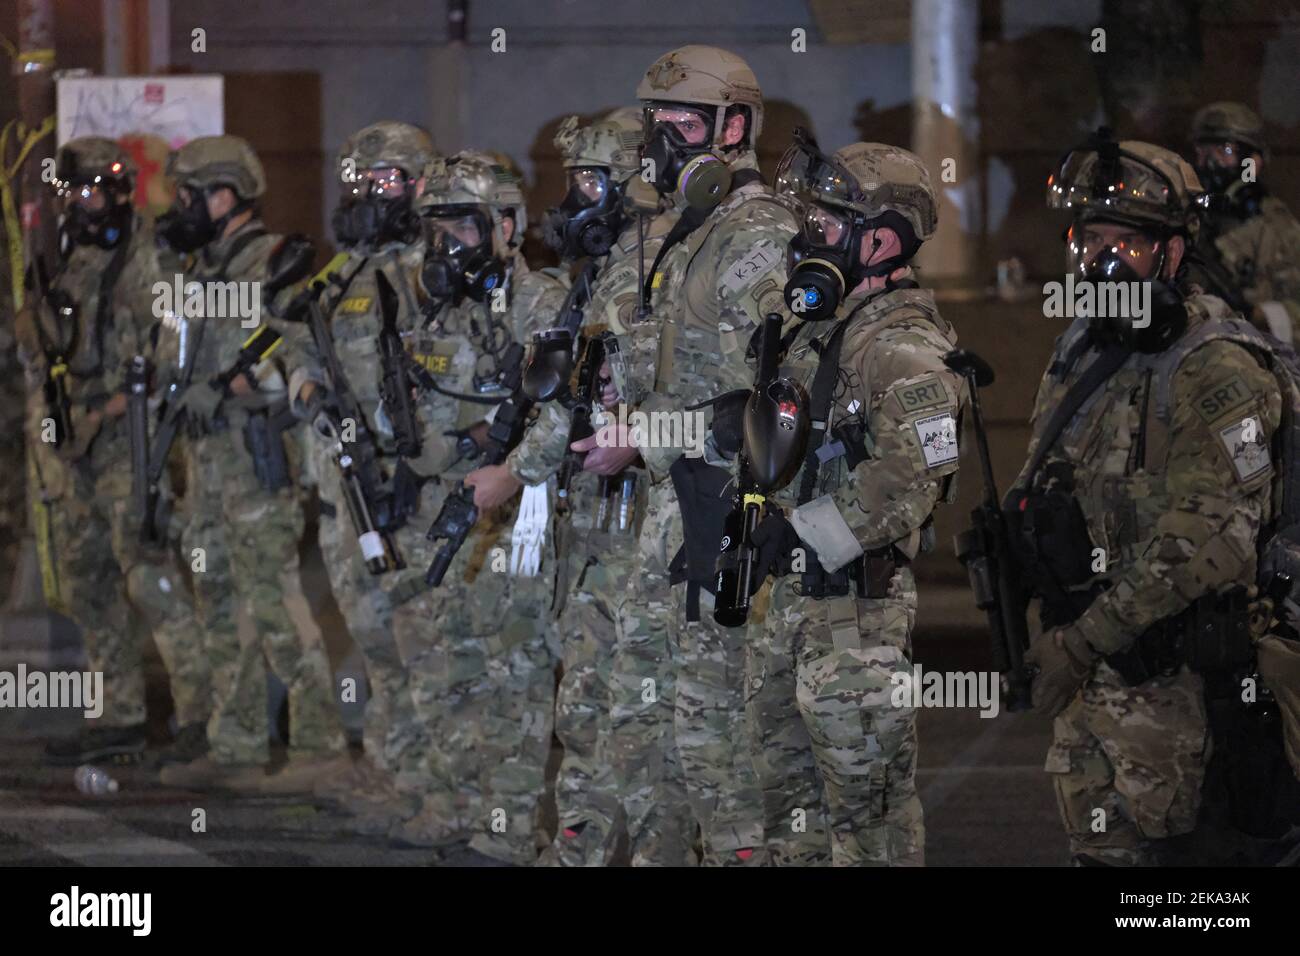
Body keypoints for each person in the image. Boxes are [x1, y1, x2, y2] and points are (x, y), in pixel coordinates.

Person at [1020, 131, 1299, 864]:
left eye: (1129, 244)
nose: (1104, 261)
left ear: (1173, 254)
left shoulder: (1216, 365)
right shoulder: (1083, 347)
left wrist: (1080, 643)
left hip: (1182, 691)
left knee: (1184, 884)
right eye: (1091, 241)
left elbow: (1210, 540)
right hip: (1095, 687)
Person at [581, 45, 799, 865]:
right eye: (656, 123)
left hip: (727, 522)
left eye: (679, 124)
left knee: (718, 746)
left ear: (733, 127)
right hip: (671, 515)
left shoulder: (759, 236)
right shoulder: (685, 234)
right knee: (637, 728)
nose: (660, 142)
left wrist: (643, 435)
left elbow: (775, 404)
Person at [469, 109, 697, 865]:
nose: (575, 200)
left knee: (632, 713)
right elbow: (576, 397)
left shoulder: (656, 268)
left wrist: (518, 472)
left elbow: (622, 403)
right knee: (592, 706)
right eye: (574, 182)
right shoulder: (605, 273)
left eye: (592, 181)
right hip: (598, 525)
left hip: (642, 531)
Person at [744, 136, 963, 866]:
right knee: (789, 820)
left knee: (869, 827)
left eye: (829, 224)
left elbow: (910, 482)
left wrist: (799, 535)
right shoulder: (828, 332)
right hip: (794, 614)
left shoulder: (903, 346)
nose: (810, 237)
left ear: (880, 240)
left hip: (854, 625)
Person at [153, 135, 347, 792]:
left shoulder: (270, 262)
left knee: (273, 601)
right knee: (219, 604)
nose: (179, 207)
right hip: (207, 466)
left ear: (226, 194)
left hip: (257, 459)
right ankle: (233, 742)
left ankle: (320, 744)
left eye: (189, 194)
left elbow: (295, 357)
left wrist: (234, 385)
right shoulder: (203, 270)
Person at [17, 136, 210, 766]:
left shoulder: (150, 261)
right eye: (75, 192)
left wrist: (105, 415)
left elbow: (170, 359)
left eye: (96, 191)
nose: (86, 204)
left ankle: (200, 715)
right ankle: (117, 713)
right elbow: (46, 354)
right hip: (79, 451)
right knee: (89, 583)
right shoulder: (65, 264)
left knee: (150, 578)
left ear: (123, 194)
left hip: (133, 441)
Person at [289, 121, 437, 829]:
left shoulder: (431, 266)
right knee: (370, 632)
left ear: (417, 183)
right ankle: (386, 764)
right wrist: (305, 388)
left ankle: (423, 779)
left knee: (414, 633)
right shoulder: (341, 270)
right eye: (360, 181)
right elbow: (296, 348)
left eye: (383, 179)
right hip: (341, 488)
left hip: (402, 486)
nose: (369, 195)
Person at [1184, 101, 1300, 344]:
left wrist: (1254, 315)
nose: (1209, 163)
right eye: (1202, 151)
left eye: (1224, 151)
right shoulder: (1187, 216)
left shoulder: (1277, 228)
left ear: (1252, 162)